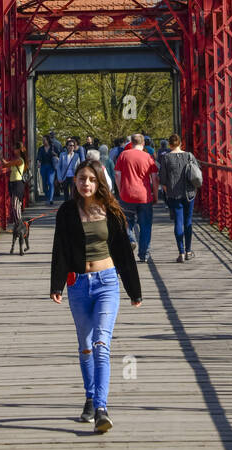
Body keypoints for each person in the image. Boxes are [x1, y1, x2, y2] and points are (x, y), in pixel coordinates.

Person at [50, 159, 141, 433]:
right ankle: (90, 396)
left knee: (102, 343)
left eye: (90, 179)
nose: (86, 184)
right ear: (75, 182)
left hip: (107, 283)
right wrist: (56, 286)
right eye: (81, 179)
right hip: (78, 284)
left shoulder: (112, 211)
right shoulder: (67, 211)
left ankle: (101, 407)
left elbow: (124, 252)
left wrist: (133, 290)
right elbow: (60, 249)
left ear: (98, 182)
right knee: (86, 346)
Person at [114, 132, 159, 263]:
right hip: (144, 196)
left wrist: (121, 189)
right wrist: (155, 195)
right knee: (145, 225)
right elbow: (155, 178)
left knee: (126, 223)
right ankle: (144, 254)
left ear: (131, 142)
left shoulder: (123, 155)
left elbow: (117, 174)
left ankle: (131, 239)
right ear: (143, 143)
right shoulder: (148, 157)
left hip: (126, 195)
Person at [159, 133, 202, 263]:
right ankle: (189, 251)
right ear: (180, 143)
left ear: (170, 144)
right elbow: (197, 172)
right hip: (189, 193)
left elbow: (163, 178)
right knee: (188, 221)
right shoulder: (189, 156)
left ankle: (181, 252)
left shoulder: (166, 158)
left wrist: (166, 189)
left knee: (178, 221)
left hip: (174, 194)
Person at [1, 142, 28, 224]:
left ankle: (19, 223)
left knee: (16, 205)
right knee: (16, 205)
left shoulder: (19, 160)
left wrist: (0, 156)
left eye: (15, 149)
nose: (13, 150)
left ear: (18, 150)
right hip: (14, 183)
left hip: (17, 184)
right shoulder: (19, 159)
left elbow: (5, 164)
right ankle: (18, 223)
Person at [37, 135, 59, 203]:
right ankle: (48, 196)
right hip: (43, 166)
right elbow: (38, 158)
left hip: (51, 167)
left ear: (48, 140)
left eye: (44, 140)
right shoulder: (41, 149)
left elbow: (59, 155)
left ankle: (50, 199)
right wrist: (38, 162)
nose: (43, 141)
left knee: (50, 182)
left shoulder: (53, 147)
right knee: (44, 183)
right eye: (42, 140)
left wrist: (55, 154)